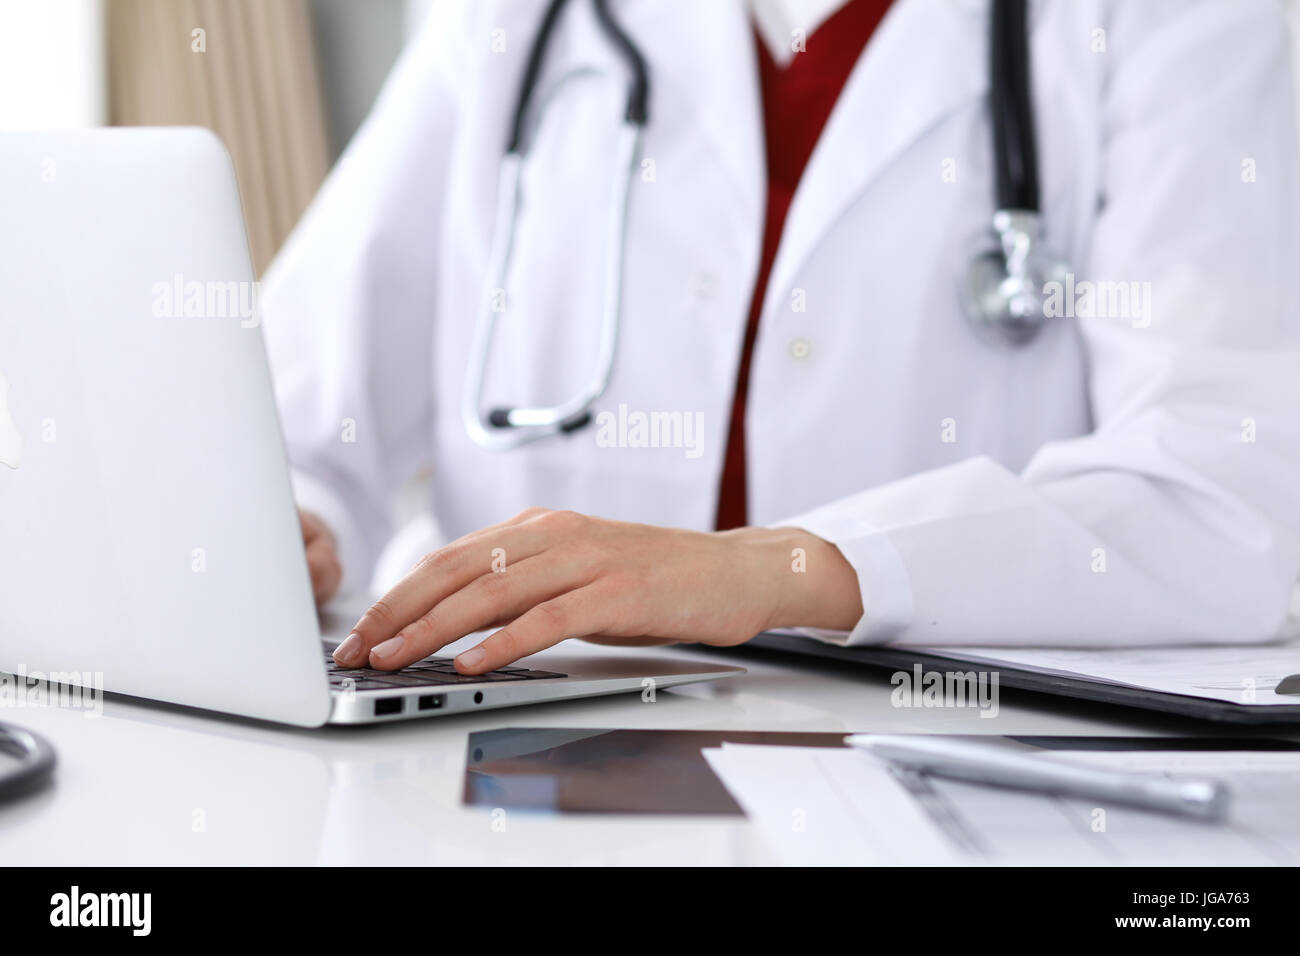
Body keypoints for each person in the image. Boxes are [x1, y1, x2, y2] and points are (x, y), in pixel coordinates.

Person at [261, 0, 1300, 677]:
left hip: (943, 770)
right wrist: (289, 522)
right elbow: (289, 421)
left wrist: (774, 570)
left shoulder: (1183, 20)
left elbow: (1233, 492)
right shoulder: (517, 20)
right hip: (511, 765)